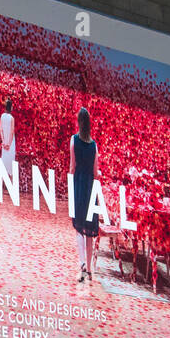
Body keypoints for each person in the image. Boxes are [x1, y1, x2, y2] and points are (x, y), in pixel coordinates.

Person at [69, 107, 101, 283]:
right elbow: (96, 172)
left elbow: (72, 167)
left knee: (78, 227)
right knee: (89, 229)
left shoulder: (74, 140)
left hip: (78, 186)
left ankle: (81, 263)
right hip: (91, 187)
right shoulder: (94, 145)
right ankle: (89, 269)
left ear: (78, 122)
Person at [0, 98, 16, 178]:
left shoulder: (2, 116)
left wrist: (3, 142)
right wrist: (9, 144)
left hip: (4, 142)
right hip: (10, 143)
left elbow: (1, 129)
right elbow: (12, 132)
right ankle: (10, 181)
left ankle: (3, 181)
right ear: (11, 107)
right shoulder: (11, 118)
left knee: (4, 160)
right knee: (11, 161)